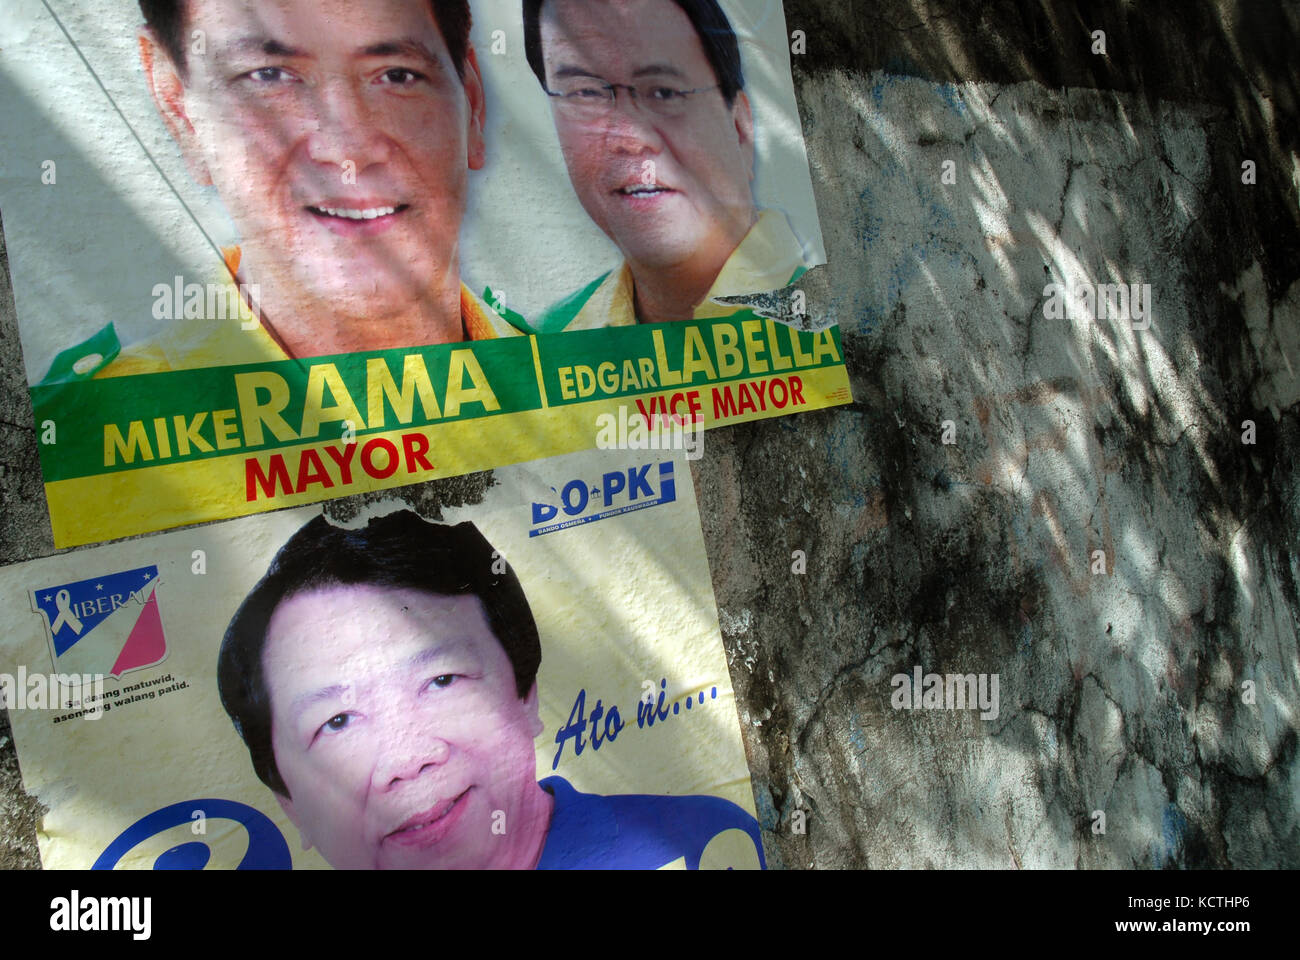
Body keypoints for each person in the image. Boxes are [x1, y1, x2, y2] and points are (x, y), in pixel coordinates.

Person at [218, 510, 766, 869]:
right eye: (335, 721)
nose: (407, 761)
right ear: (287, 802)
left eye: (441, 680)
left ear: (524, 695)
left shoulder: (696, 847)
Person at [47, 0, 521, 386]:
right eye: (269, 75)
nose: (348, 150)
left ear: (472, 104)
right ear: (179, 109)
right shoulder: (80, 446)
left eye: (397, 74)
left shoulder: (579, 377)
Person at [522, 0, 814, 331]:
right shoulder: (546, 344)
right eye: (586, 93)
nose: (630, 138)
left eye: (663, 92)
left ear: (739, 128)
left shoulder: (852, 322)